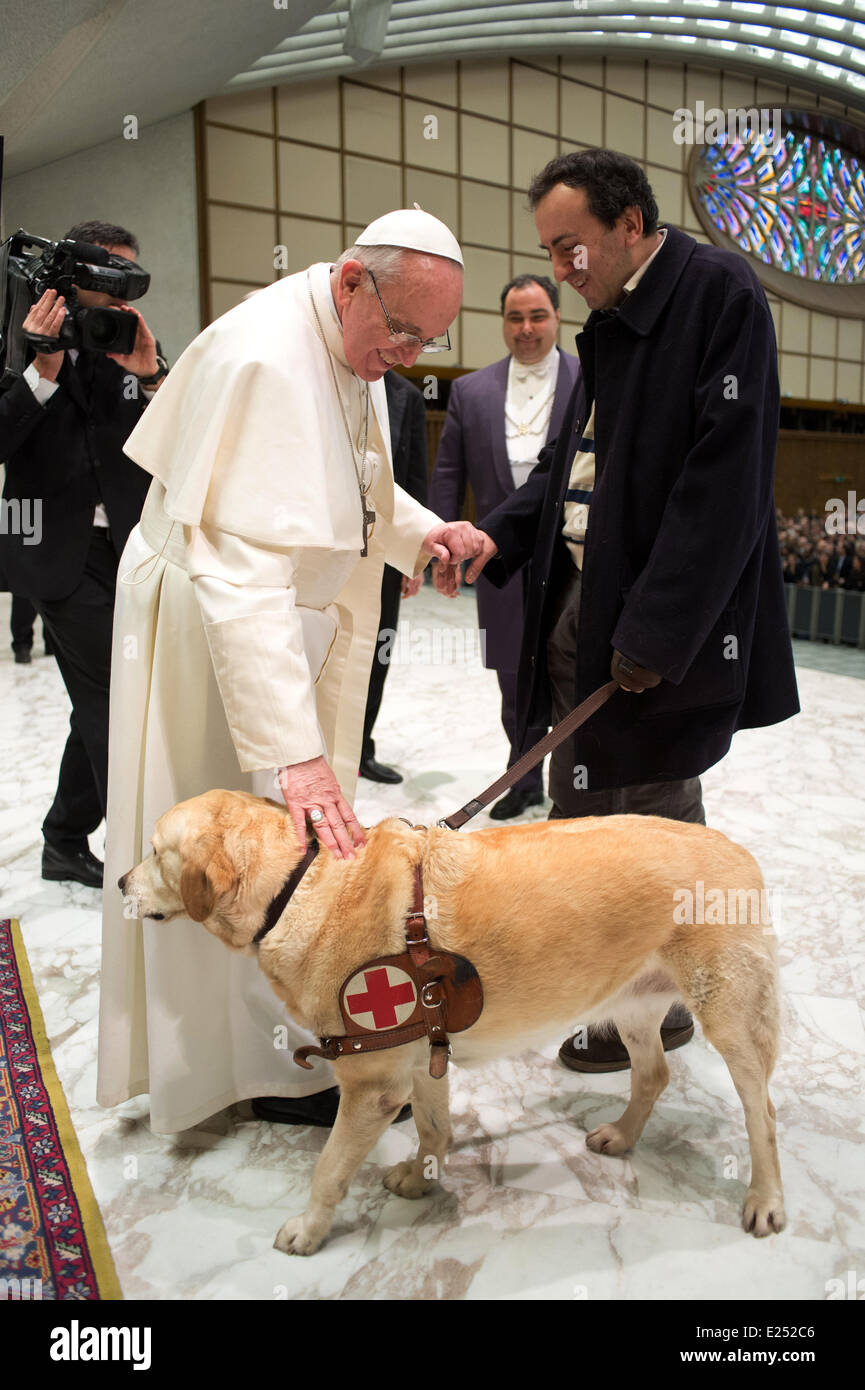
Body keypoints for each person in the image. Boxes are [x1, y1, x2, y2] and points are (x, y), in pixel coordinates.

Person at [98, 209, 484, 1134]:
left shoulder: (343, 345)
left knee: (273, 850)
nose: (407, 352)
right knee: (223, 851)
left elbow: (356, 483)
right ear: (352, 279)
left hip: (265, 629)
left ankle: (271, 1045)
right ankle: (225, 1066)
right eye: (400, 330)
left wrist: (422, 532)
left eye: (428, 340)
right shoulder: (268, 359)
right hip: (211, 636)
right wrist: (292, 755)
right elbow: (241, 579)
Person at [440, 149, 799, 1072]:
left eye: (571, 247)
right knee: (587, 811)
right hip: (584, 607)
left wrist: (656, 633)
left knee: (656, 813)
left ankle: (664, 1005)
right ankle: (606, 990)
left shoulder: (718, 297)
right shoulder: (609, 319)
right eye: (548, 252)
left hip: (654, 628)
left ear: (630, 225)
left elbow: (723, 488)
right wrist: (499, 536)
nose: (561, 270)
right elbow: (571, 462)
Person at [0, 220, 165, 887]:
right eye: (104, 280)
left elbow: (179, 436)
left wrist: (152, 376)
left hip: (130, 550)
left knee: (99, 700)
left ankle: (63, 838)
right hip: (56, 557)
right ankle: (143, 853)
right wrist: (40, 371)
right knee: (118, 702)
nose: (116, 296)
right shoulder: (19, 335)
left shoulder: (131, 342)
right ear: (70, 280)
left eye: (127, 281)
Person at [429, 275, 580, 818]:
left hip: (572, 559)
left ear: (558, 317)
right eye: (516, 318)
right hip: (496, 561)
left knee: (569, 665)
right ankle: (522, 778)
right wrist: (438, 545)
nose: (527, 328)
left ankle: (574, 776)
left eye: (538, 315)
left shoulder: (588, 378)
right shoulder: (472, 391)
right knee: (511, 678)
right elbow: (448, 475)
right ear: (503, 323)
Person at [358, 370, 428, 784]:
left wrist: (414, 555)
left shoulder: (408, 396)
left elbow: (414, 479)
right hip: (321, 545)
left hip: (384, 549)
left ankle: (360, 747)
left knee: (376, 652)